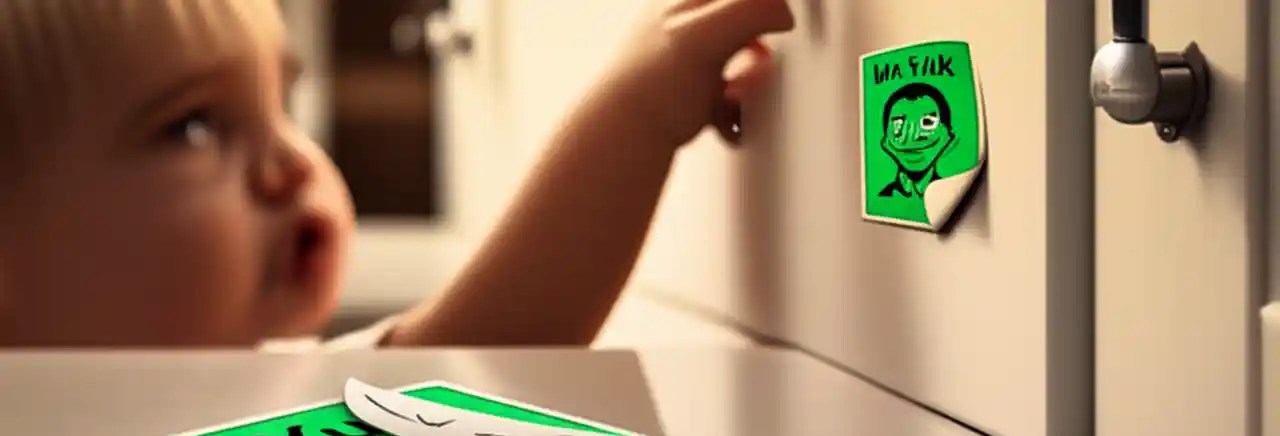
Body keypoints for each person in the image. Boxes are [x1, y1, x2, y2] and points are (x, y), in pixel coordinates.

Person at [0, 0, 794, 349]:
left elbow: (494, 346)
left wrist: (638, 114)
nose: (291, 165)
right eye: (196, 124)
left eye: (283, 105)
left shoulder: (268, 406)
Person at [877, 82, 957, 201]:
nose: (912, 137)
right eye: (898, 125)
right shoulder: (882, 198)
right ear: (885, 140)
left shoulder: (951, 195)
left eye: (928, 123)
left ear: (947, 135)